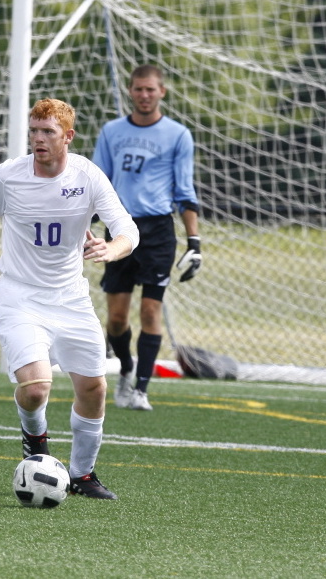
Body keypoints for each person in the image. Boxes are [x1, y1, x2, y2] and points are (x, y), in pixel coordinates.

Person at [0, 98, 139, 500]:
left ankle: (81, 475)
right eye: (34, 131)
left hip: (71, 298)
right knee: (37, 387)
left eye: (47, 132)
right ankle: (36, 443)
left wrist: (112, 250)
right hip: (20, 296)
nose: (38, 139)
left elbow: (127, 229)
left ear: (68, 137)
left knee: (94, 387)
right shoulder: (9, 176)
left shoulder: (88, 176)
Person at [92, 64, 201, 412]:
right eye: (138, 89)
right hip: (120, 229)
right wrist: (83, 225)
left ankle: (141, 389)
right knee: (118, 317)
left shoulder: (178, 135)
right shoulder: (111, 132)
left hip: (157, 232)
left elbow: (185, 191)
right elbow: (97, 183)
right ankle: (125, 369)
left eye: (150, 90)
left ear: (162, 92)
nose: (144, 95)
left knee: (150, 311)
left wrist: (195, 243)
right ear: (130, 90)